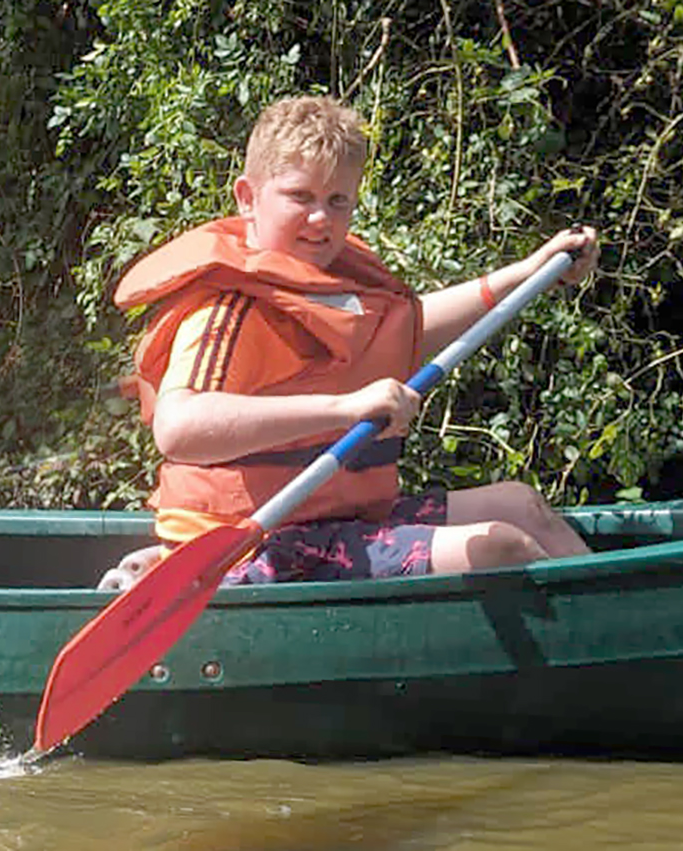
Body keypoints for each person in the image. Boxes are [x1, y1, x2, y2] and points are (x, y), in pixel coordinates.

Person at [100, 95, 598, 590]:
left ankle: (618, 613)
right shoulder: (226, 309)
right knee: (498, 548)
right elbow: (179, 427)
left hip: (337, 520)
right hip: (251, 543)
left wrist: (527, 273)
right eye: (300, 197)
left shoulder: (327, 284)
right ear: (248, 198)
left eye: (337, 201)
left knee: (519, 505)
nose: (321, 217)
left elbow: (406, 331)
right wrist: (346, 407)